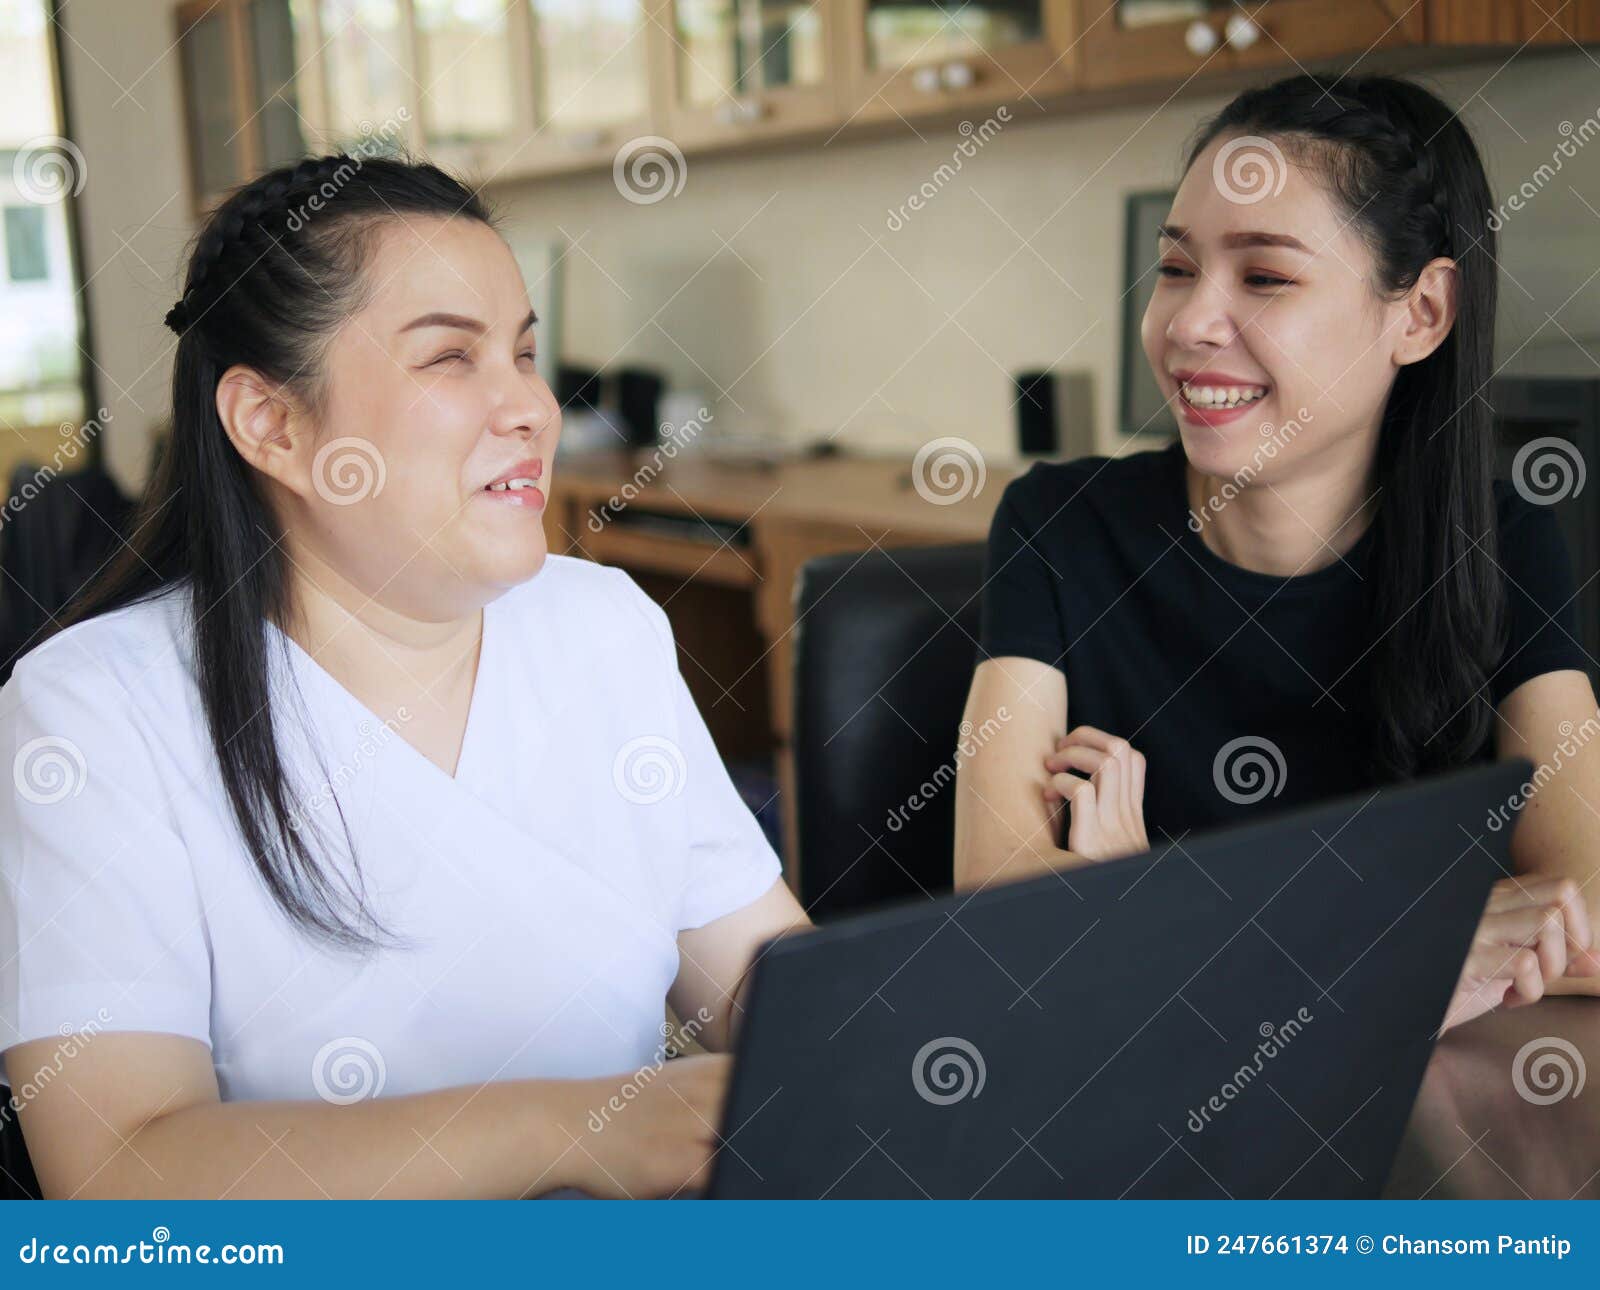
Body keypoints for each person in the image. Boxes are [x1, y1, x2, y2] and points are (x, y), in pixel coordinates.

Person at [0, 154, 807, 1200]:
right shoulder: (92, 712)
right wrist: (577, 1129)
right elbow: (117, 1179)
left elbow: (769, 992)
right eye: (449, 358)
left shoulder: (603, 627)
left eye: (525, 354)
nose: (532, 407)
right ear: (273, 425)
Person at [953, 75, 1600, 1032]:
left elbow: (1585, 921)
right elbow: (997, 903)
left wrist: (1147, 899)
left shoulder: (1502, 544)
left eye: (1264, 278)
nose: (1187, 323)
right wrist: (1406, 954)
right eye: (1177, 268)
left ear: (1421, 313)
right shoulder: (1059, 523)